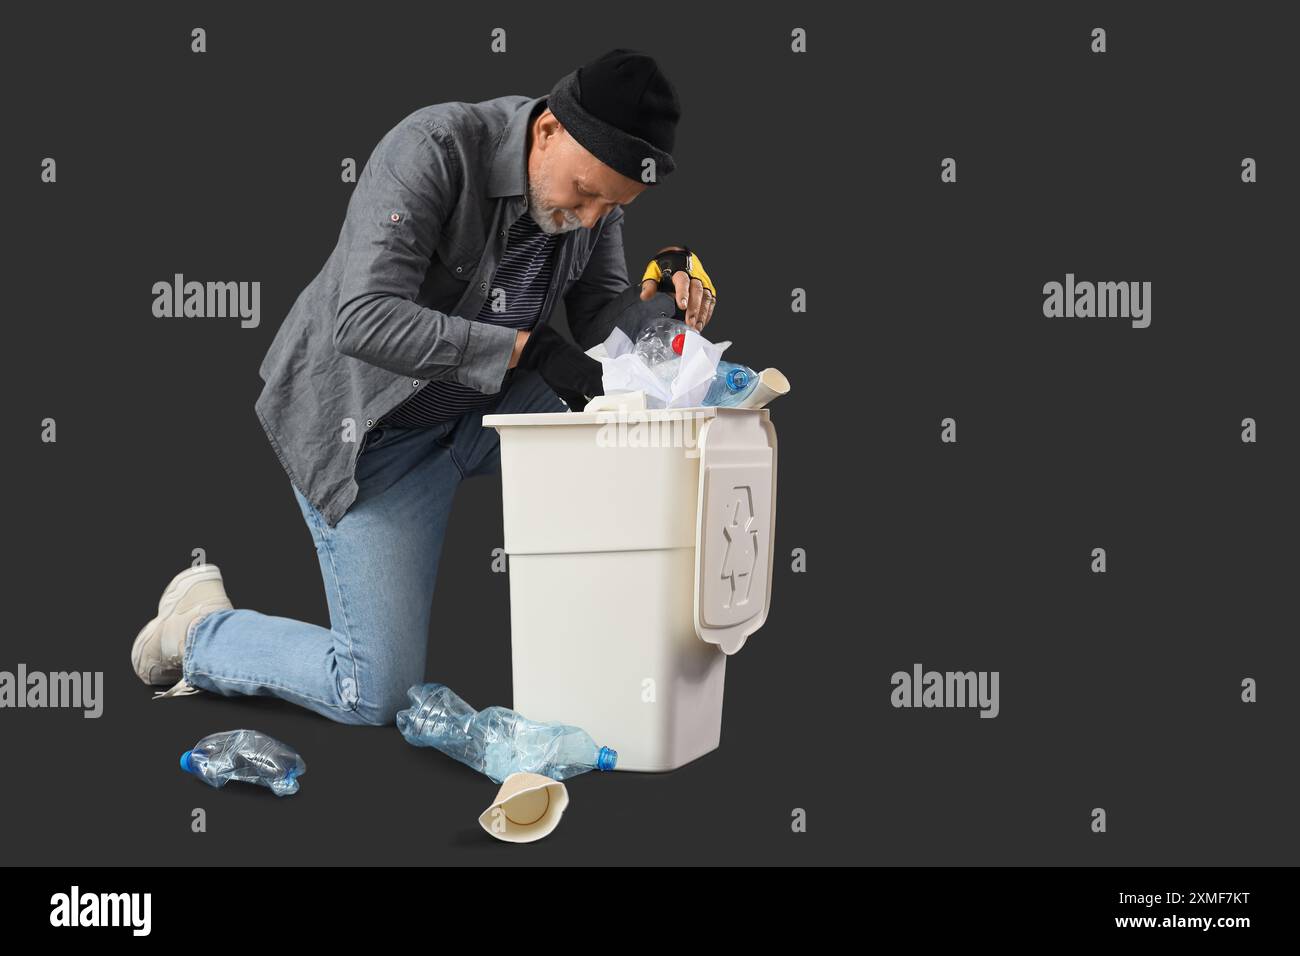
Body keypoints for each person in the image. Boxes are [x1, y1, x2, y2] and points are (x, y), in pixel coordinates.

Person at [129, 49, 720, 726]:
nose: (590, 218)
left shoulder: (594, 201)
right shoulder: (434, 148)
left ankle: (617, 668)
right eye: (585, 193)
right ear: (549, 129)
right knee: (374, 691)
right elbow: (364, 319)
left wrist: (657, 306)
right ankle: (201, 629)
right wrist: (526, 347)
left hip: (479, 417)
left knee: (632, 411)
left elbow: (597, 322)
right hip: (374, 442)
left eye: (612, 205)